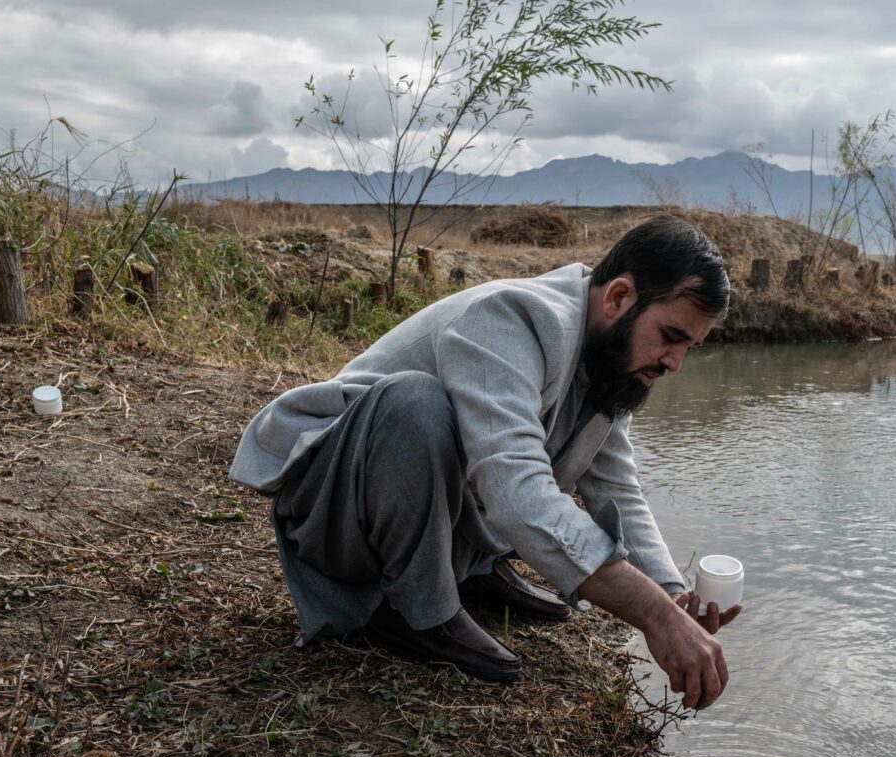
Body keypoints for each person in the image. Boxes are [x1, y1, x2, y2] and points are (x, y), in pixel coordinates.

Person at [229, 215, 741, 710]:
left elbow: (618, 490)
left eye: (689, 347)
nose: (675, 363)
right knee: (417, 405)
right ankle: (416, 611)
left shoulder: (610, 363)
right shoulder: (511, 318)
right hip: (337, 512)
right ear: (619, 297)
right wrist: (653, 617)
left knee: (505, 468)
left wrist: (673, 596)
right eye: (672, 336)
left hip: (422, 516)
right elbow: (516, 491)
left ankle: (469, 570)